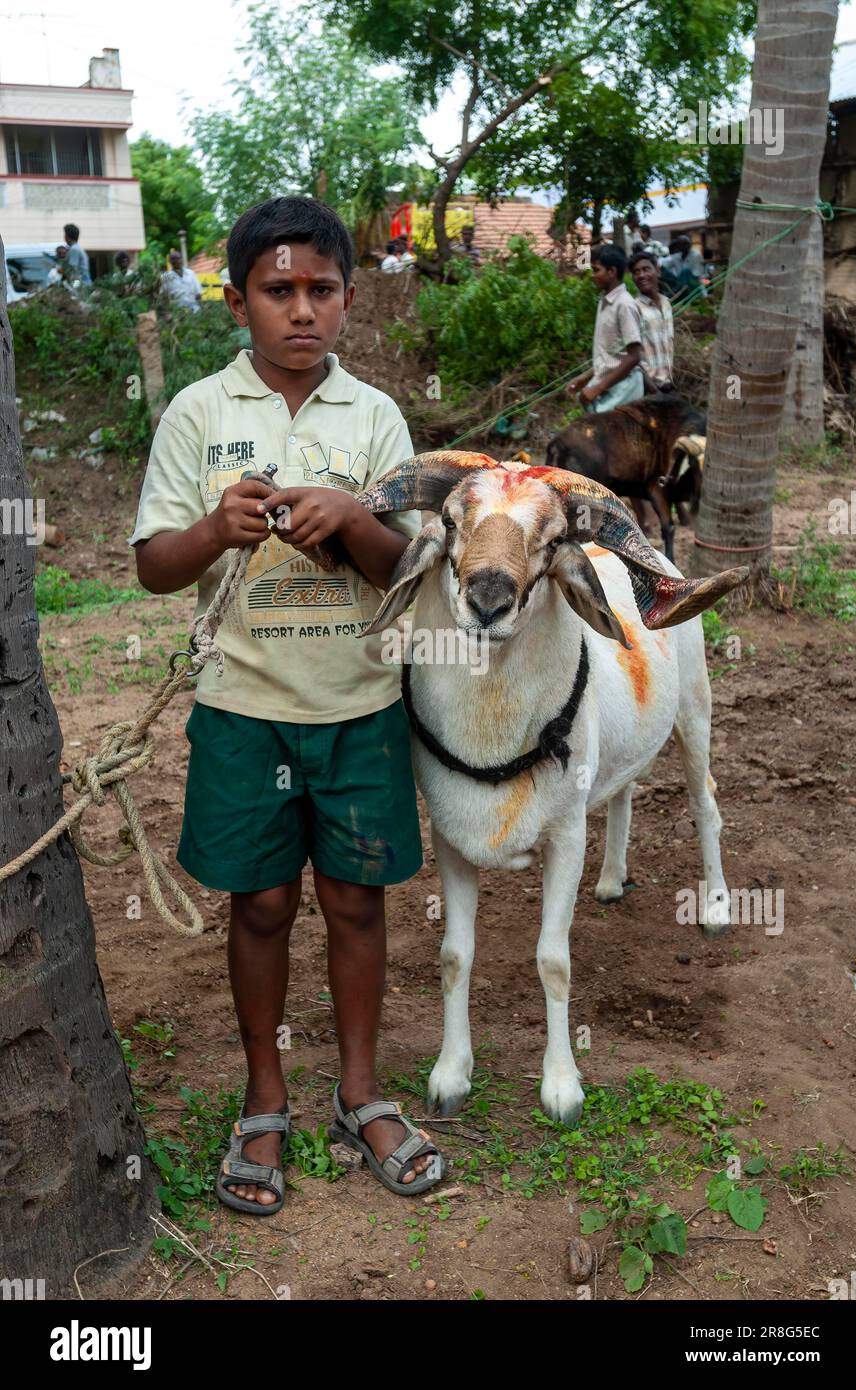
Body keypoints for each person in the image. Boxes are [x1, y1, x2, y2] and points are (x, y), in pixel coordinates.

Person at [129, 195, 443, 1213]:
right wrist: (217, 530)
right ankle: (265, 1098)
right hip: (241, 705)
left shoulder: (378, 417)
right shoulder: (199, 414)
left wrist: (353, 516)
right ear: (237, 300)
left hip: (359, 704)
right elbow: (151, 568)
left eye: (322, 290)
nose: (301, 310)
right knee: (260, 902)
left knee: (356, 897)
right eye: (278, 290)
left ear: (350, 299)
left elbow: (407, 567)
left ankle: (360, 1091)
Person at [567, 243, 643, 411]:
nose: (592, 275)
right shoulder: (605, 301)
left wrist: (598, 388)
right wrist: (585, 379)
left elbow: (633, 357)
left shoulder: (624, 305)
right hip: (608, 386)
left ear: (612, 272)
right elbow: (610, 356)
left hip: (622, 390)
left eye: (596, 270)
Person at [629, 250, 674, 392]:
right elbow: (632, 358)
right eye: (636, 272)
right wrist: (654, 391)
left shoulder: (666, 303)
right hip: (647, 389)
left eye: (646, 269)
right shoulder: (633, 308)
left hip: (667, 384)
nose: (641, 275)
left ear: (658, 272)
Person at [660, 235, 705, 300]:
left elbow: (697, 275)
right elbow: (663, 263)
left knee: (685, 272)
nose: (684, 247)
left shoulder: (696, 256)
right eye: (681, 244)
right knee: (662, 271)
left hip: (693, 283)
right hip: (679, 284)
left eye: (685, 244)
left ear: (689, 245)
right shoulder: (676, 256)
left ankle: (681, 295)